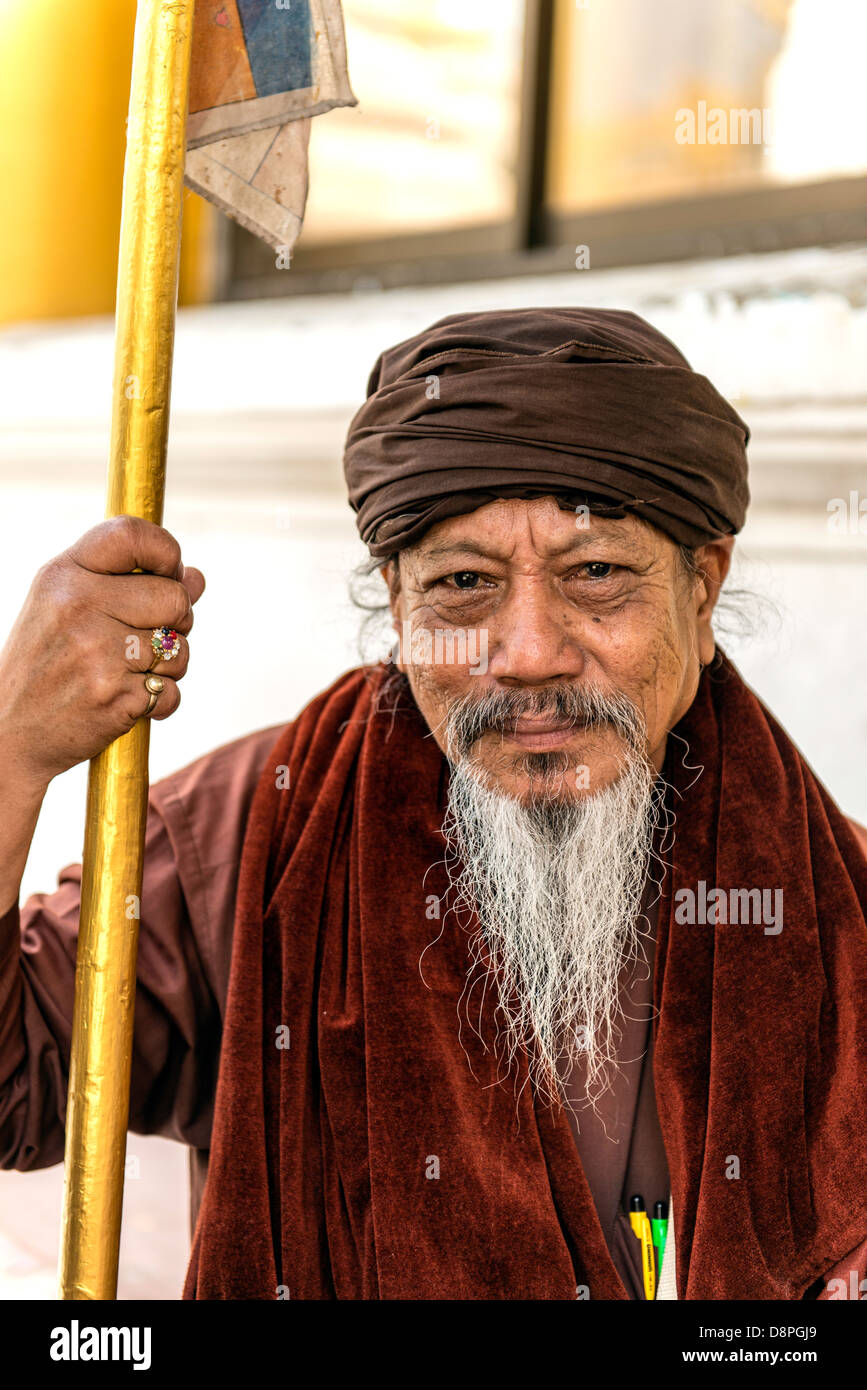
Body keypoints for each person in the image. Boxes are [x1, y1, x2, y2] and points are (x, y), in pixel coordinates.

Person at [1, 308, 865, 1301]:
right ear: (398, 605)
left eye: (596, 574)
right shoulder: (246, 847)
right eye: (463, 582)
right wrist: (12, 745)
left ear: (702, 593)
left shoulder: (838, 904)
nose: (530, 650)